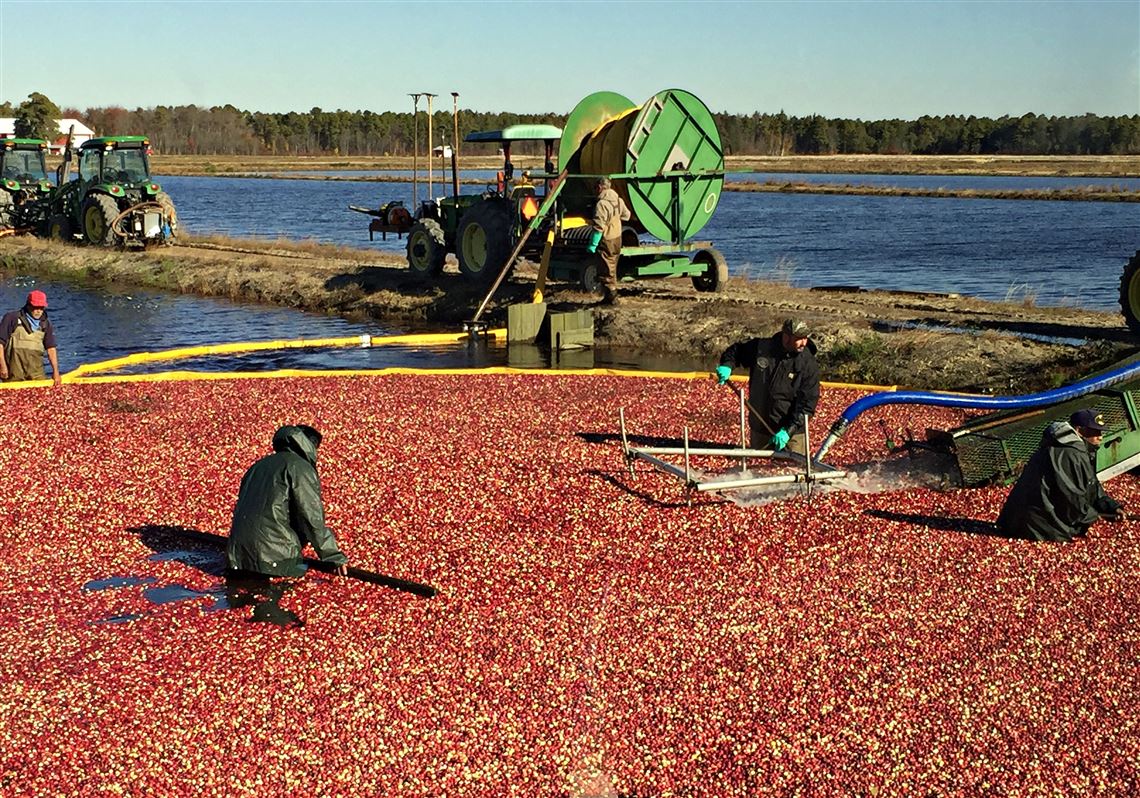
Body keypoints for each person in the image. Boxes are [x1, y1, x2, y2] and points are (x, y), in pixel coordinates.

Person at [227, 425, 349, 578]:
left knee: (242, 597)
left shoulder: (257, 466)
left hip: (237, 554)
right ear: (309, 445)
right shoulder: (300, 468)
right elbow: (311, 517)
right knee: (272, 598)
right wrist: (333, 556)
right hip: (274, 556)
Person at [997, 409, 1126, 542]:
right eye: (1094, 431)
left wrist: (1111, 507)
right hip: (1035, 526)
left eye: (1100, 431)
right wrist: (1093, 515)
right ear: (1079, 430)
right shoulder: (1069, 453)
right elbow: (1070, 497)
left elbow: (1091, 485)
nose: (1100, 436)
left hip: (1030, 521)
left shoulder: (1078, 450)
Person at [716, 318, 821, 455]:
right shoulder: (761, 348)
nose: (803, 343)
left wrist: (788, 431)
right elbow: (736, 351)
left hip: (791, 436)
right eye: (799, 338)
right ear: (786, 337)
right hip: (760, 429)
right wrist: (727, 365)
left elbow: (807, 404)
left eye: (805, 338)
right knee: (759, 470)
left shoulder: (808, 364)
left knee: (791, 472)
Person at [586, 176, 631, 306]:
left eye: (596, 188)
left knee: (606, 268)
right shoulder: (618, 200)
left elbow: (599, 226)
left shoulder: (602, 204)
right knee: (613, 266)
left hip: (607, 239)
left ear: (600, 187)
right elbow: (626, 215)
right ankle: (610, 296)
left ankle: (611, 298)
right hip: (618, 238)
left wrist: (593, 244)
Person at [0, 290, 61, 385]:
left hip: (36, 373)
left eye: (41, 308)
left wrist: (56, 372)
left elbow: (51, 349)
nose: (38, 311)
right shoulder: (12, 318)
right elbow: (0, 344)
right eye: (35, 307)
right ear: (28, 305)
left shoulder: (45, 324)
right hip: (14, 373)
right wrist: (2, 366)